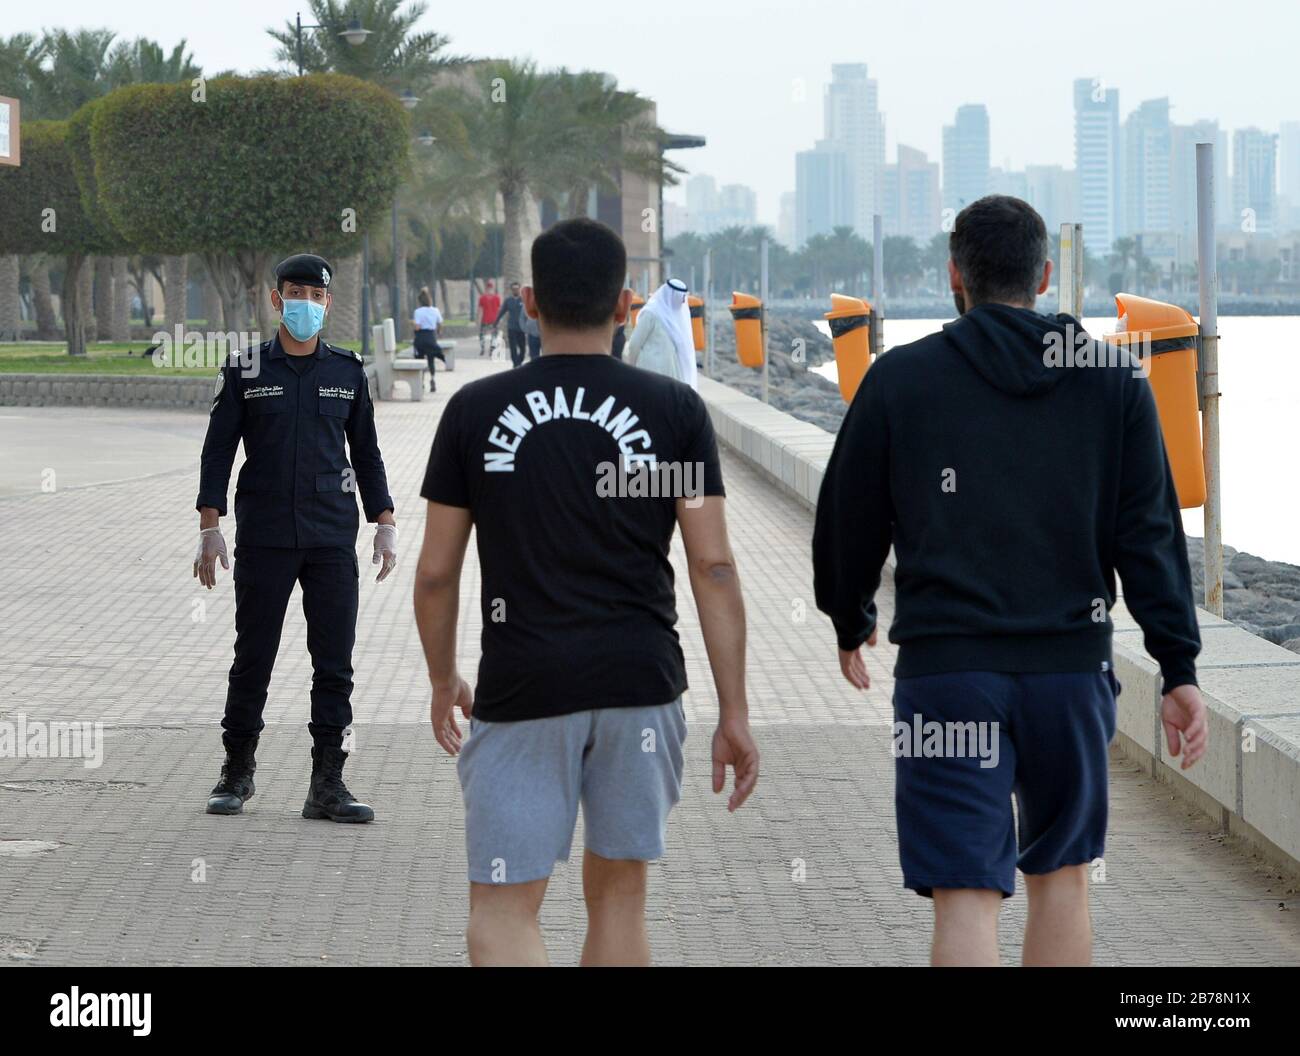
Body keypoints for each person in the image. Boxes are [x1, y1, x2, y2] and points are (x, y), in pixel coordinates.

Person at [811, 195, 1207, 967]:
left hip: (947, 675)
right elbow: (1150, 536)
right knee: (1063, 882)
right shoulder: (1113, 381)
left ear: (954, 276)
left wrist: (848, 616)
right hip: (1070, 672)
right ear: (1045, 275)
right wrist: (1178, 665)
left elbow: (846, 517)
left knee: (965, 894)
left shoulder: (900, 380)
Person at [414, 218, 759, 967]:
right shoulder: (674, 411)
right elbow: (713, 567)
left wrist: (443, 679)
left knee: (502, 911)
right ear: (626, 304)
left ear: (530, 302)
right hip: (641, 684)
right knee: (620, 900)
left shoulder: (476, 410)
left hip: (524, 684)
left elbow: (437, 572)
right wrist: (734, 711)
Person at [194, 252, 398, 824]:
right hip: (265, 535)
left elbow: (367, 453)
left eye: (316, 294)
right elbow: (218, 451)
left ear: (328, 302)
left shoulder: (348, 372)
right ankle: (237, 772)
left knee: (334, 663)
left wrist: (384, 522)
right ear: (276, 299)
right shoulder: (246, 369)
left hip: (331, 536)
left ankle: (328, 783)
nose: (305, 303)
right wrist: (210, 527)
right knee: (253, 656)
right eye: (295, 293)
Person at [625, 279, 697, 390]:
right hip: (649, 372)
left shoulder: (675, 318)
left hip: (670, 375)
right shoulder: (651, 313)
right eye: (681, 297)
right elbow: (635, 343)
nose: (683, 301)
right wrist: (632, 367)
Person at [412, 287, 445, 393]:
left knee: (419, 359)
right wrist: (439, 332)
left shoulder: (417, 312)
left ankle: (421, 382)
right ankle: (432, 379)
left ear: (420, 301)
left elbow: (417, 327)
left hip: (420, 338)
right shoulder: (435, 310)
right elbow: (440, 323)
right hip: (431, 337)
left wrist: (413, 324)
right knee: (431, 360)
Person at [497, 281, 527, 367]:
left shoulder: (523, 300)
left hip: (521, 328)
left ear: (519, 289)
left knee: (522, 348)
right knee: (513, 347)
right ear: (511, 290)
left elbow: (528, 313)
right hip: (511, 328)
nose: (515, 290)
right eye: (514, 289)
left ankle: (519, 361)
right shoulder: (508, 301)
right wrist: (496, 322)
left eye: (517, 289)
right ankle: (515, 364)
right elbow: (502, 311)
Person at [477, 280, 501, 357]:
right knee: (494, 335)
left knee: (482, 335)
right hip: (494, 320)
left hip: (485, 320)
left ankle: (483, 348)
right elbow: (499, 309)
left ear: (486, 288)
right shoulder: (497, 297)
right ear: (492, 288)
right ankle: (491, 350)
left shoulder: (482, 298)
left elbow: (480, 310)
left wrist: (478, 320)